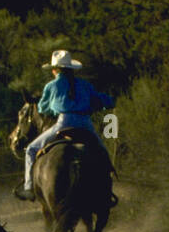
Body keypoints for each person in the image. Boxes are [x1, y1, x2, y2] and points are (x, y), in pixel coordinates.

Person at [17, 50, 114, 201]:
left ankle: (28, 188)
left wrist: (53, 108)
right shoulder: (85, 85)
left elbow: (42, 108)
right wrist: (108, 101)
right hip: (85, 123)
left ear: (55, 70)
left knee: (31, 149)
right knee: (101, 151)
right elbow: (100, 101)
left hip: (64, 122)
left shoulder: (51, 86)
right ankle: (107, 189)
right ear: (71, 69)